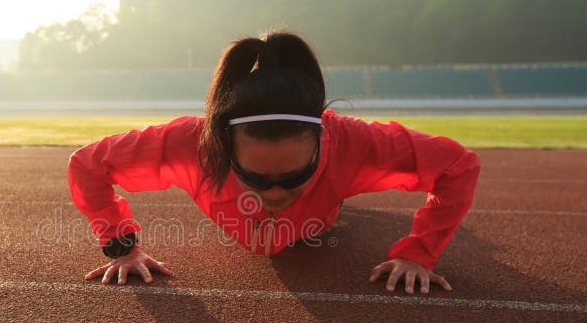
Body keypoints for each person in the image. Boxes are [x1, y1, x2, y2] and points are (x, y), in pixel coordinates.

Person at [68, 30, 480, 293]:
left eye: (296, 175)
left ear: (322, 139)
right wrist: (122, 247)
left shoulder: (355, 142)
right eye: (256, 177)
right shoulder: (192, 142)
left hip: (323, 215)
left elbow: (457, 165)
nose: (276, 193)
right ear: (223, 143)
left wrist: (418, 252)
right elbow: (88, 165)